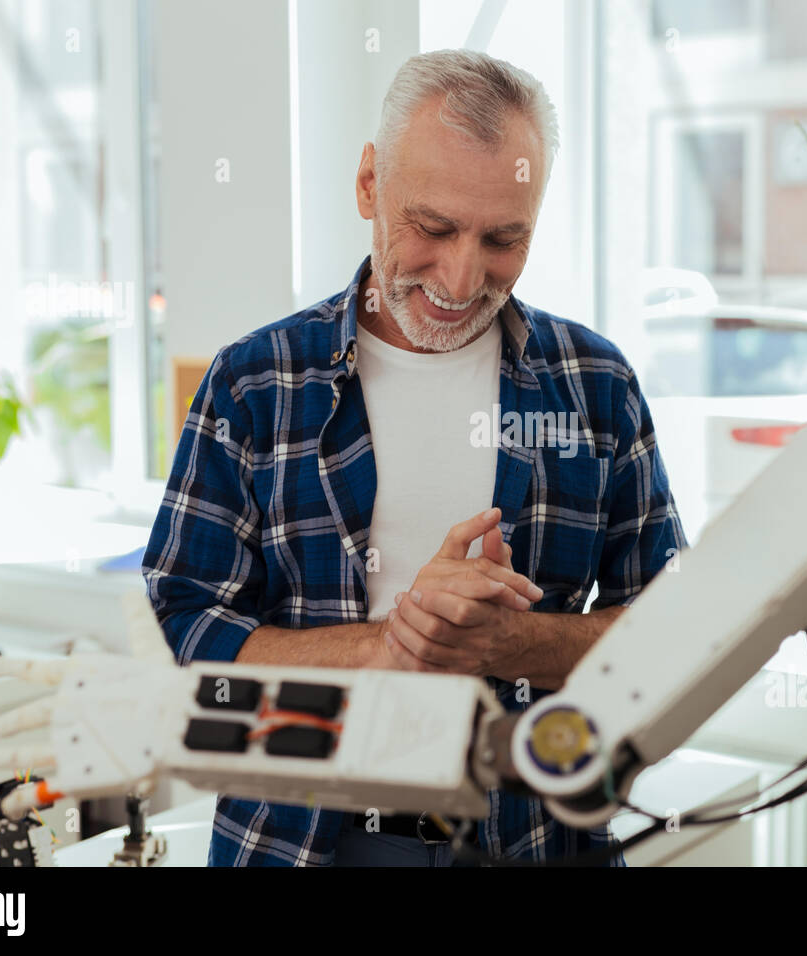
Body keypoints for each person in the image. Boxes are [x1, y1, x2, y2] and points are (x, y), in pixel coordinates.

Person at [142, 48, 685, 866]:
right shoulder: (256, 384)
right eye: (432, 228)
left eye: (504, 238)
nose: (463, 277)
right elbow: (184, 628)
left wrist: (509, 643)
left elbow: (672, 632)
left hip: (531, 840)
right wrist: (393, 645)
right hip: (297, 841)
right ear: (369, 185)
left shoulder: (596, 386)